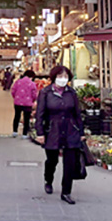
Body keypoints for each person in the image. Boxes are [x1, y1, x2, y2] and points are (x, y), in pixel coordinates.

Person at [35, 65, 84, 205]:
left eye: (65, 77)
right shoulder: (45, 93)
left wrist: (81, 132)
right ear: (54, 77)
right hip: (52, 130)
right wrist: (40, 133)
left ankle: (66, 192)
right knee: (52, 160)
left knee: (69, 162)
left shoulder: (71, 93)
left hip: (70, 129)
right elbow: (40, 114)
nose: (63, 79)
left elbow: (77, 114)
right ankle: (48, 180)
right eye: (60, 76)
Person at [11, 69, 38, 139]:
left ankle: (14, 132)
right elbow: (34, 94)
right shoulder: (32, 84)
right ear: (31, 76)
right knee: (26, 118)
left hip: (17, 102)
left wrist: (16, 98)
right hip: (28, 103)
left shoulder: (18, 82)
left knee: (17, 116)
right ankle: (24, 134)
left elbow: (13, 91)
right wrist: (33, 100)